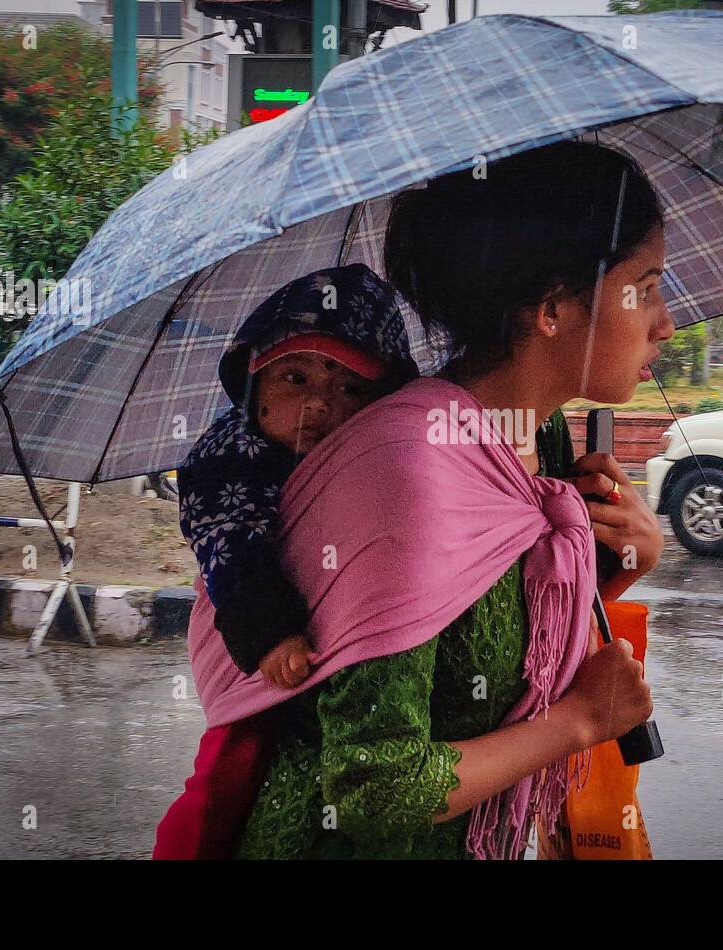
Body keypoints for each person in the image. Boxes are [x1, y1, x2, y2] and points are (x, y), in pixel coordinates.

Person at [193, 140, 670, 860]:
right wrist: (577, 724)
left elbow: (493, 632)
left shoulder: (538, 440)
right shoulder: (409, 475)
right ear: (551, 309)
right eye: (647, 286)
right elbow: (375, 788)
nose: (664, 322)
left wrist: (618, 565)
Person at [151, 263, 419, 859]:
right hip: (243, 629)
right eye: (294, 378)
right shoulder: (230, 455)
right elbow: (230, 548)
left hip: (312, 628)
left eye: (350, 388)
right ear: (252, 383)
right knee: (232, 766)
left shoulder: (358, 460)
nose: (318, 405)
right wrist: (271, 636)